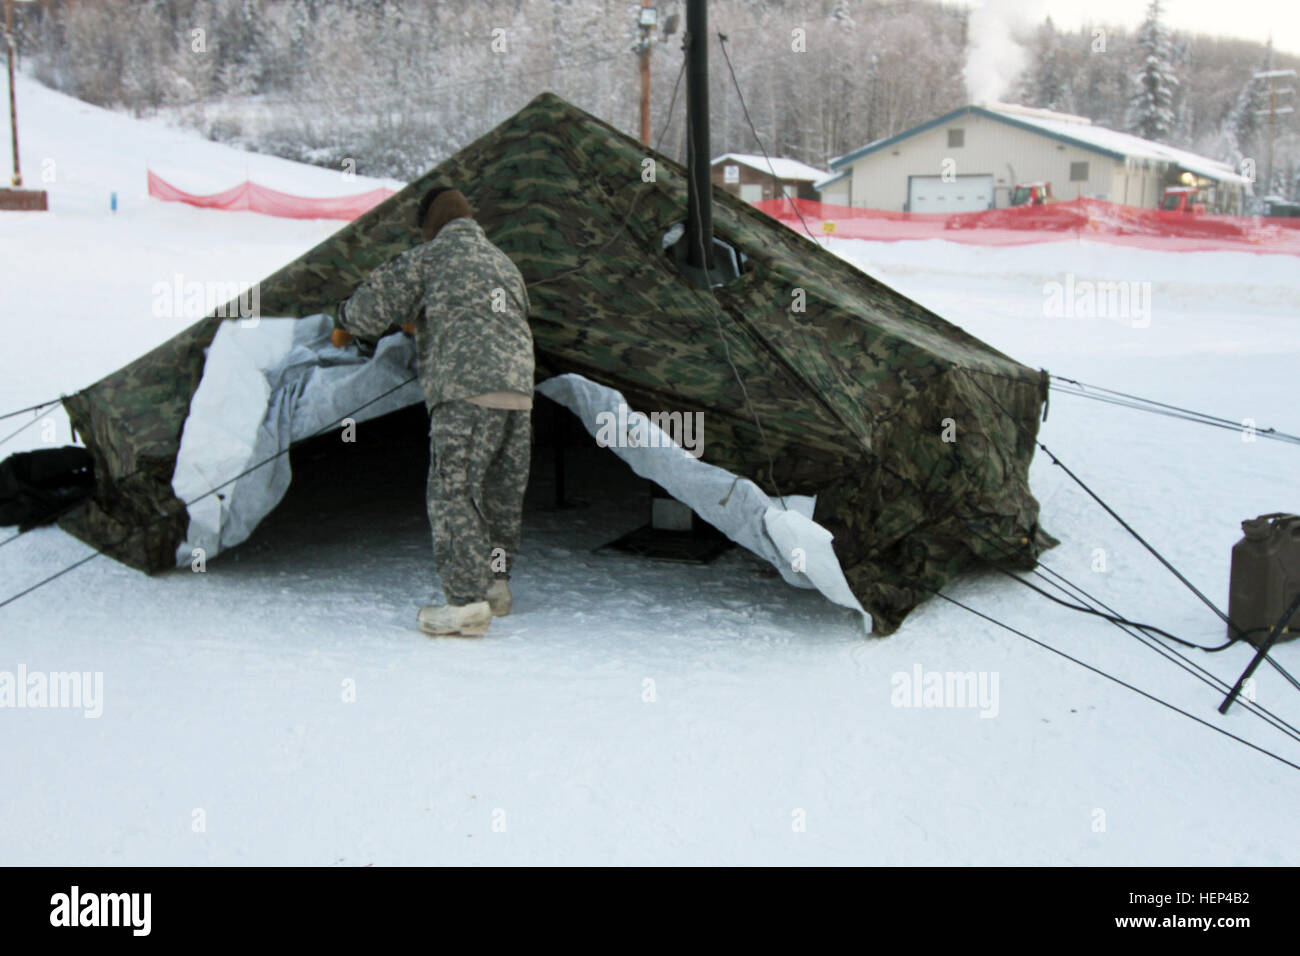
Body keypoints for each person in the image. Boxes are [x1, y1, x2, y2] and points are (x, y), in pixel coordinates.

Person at [333, 187, 534, 637]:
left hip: (465, 390)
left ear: (431, 227)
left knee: (454, 492)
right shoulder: (505, 263)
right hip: (519, 391)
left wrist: (341, 315)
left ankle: (465, 605)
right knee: (501, 490)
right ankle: (496, 585)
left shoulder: (429, 258)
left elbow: (366, 313)